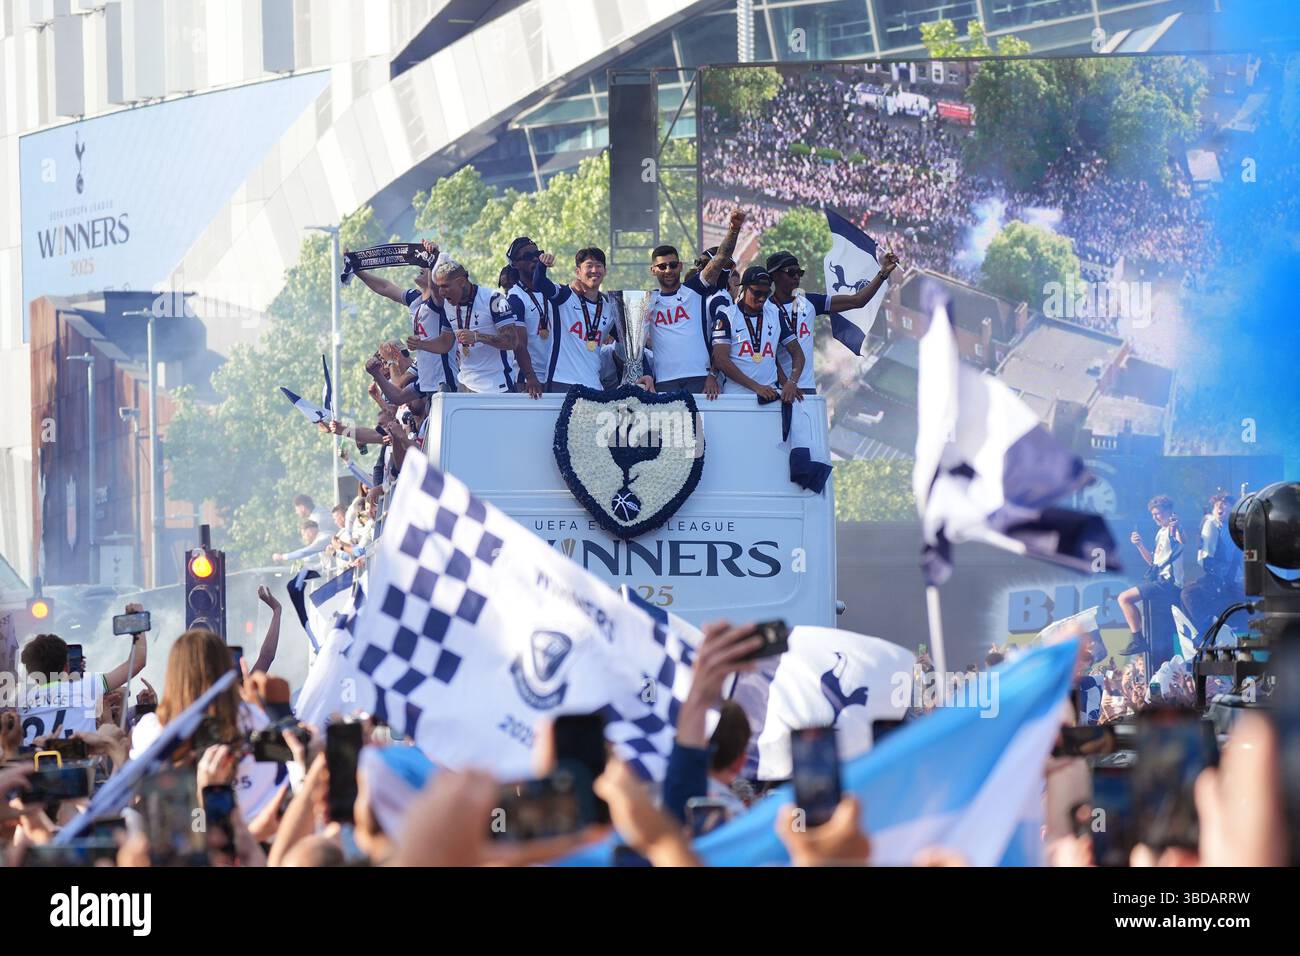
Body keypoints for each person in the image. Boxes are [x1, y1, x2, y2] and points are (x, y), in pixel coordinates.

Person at [130, 628, 281, 822]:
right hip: (259, 838)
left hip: (189, 840)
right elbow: (284, 773)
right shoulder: (253, 719)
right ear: (225, 669)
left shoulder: (153, 730)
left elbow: (140, 800)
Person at [764, 248, 899, 395]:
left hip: (806, 389)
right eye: (791, 272)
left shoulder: (809, 302)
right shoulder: (764, 310)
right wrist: (786, 382)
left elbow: (857, 301)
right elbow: (765, 354)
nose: (797, 277)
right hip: (778, 390)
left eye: (799, 273)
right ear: (775, 275)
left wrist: (883, 273)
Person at [644, 209, 745, 396]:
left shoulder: (694, 289)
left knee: (705, 427)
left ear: (681, 266)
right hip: (664, 382)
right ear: (653, 270)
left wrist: (734, 229)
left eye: (673, 265)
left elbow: (721, 258)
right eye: (662, 266)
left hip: (702, 379)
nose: (668, 270)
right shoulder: (646, 302)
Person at [16, 602, 149, 745]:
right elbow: (137, 662)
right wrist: (137, 618)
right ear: (66, 666)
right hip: (81, 766)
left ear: (30, 673)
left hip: (35, 765)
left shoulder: (20, 700)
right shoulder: (87, 684)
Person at [349, 239, 458, 399]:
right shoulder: (415, 298)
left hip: (446, 385)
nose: (422, 267)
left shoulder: (439, 302)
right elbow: (384, 288)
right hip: (429, 384)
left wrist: (434, 258)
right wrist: (357, 269)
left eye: (426, 267)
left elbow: (435, 287)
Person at [531, 246, 618, 392]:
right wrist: (542, 265)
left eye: (599, 266)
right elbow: (539, 283)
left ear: (605, 271)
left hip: (594, 385)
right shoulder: (565, 295)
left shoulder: (609, 308)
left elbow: (627, 340)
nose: (594, 270)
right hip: (561, 382)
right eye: (589, 266)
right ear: (578, 271)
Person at [710, 266, 804, 402]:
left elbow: (797, 353)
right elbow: (720, 359)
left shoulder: (776, 314)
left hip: (770, 398)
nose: (762, 298)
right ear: (744, 288)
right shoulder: (726, 315)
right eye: (757, 293)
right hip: (736, 399)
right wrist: (757, 387)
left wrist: (792, 382)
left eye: (766, 294)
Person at [432, 259, 520, 394]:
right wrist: (419, 344)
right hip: (465, 384)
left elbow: (512, 340)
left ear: (461, 282)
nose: (441, 292)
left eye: (445, 286)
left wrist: (476, 337)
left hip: (496, 386)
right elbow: (445, 342)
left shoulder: (495, 299)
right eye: (439, 287)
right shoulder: (447, 305)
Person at [1117, 494, 1185, 663]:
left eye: (1158, 513)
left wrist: (1176, 527)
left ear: (1169, 512)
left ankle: (1137, 639)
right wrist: (1139, 545)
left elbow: (1182, 541)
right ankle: (1140, 639)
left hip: (1168, 584)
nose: (1155, 517)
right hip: (1159, 581)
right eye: (1153, 515)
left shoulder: (1173, 527)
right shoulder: (1160, 533)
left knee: (1124, 598)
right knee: (1127, 599)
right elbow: (1153, 563)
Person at [1182, 490, 1247, 637]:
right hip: (1215, 578)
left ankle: (1212, 628)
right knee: (1187, 593)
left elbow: (1238, 559)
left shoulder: (1234, 531)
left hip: (1227, 581)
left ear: (1232, 509)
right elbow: (1206, 557)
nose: (1220, 507)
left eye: (1224, 504)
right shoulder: (1212, 525)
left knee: (1189, 593)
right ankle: (1205, 627)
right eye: (1217, 504)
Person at [504, 237, 552, 399]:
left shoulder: (552, 291)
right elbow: (518, 343)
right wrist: (530, 376)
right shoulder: (515, 297)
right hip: (529, 381)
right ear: (515, 264)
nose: (534, 258)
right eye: (527, 256)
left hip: (556, 375)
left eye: (537, 254)